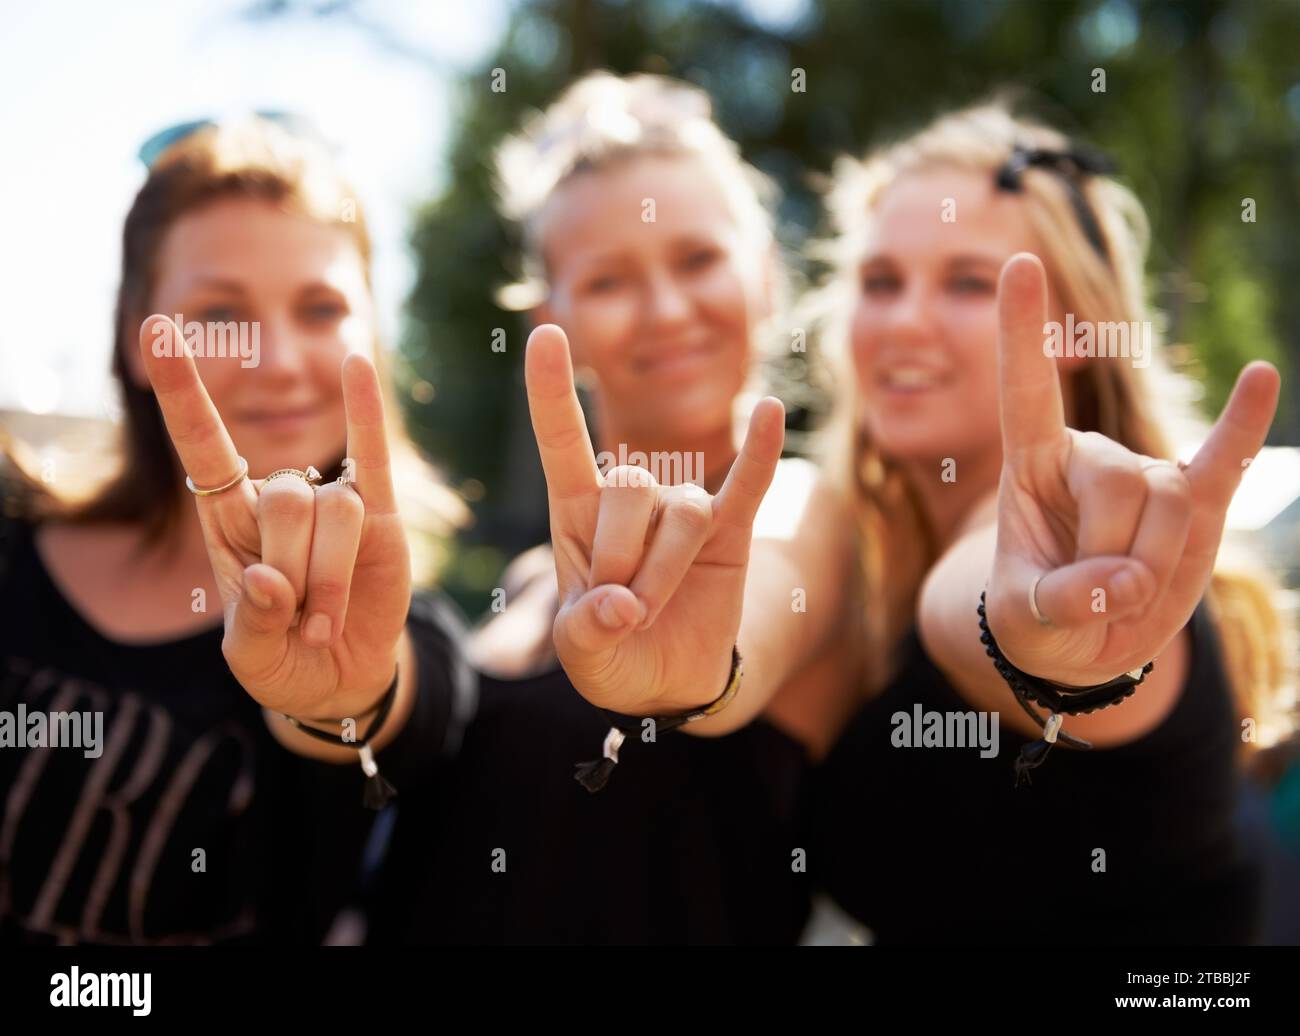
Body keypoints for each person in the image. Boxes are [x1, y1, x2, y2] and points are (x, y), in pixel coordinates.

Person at [525, 100, 1285, 944]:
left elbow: (980, 603)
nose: (905, 321)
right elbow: (771, 612)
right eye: (882, 282)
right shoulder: (875, 571)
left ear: (1075, 332)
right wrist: (694, 674)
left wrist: (1045, 636)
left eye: (969, 282)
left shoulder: (1093, 571)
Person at [369, 72, 858, 945]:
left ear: (766, 275)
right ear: (549, 317)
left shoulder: (799, 508)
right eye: (607, 281)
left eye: (699, 260)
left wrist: (700, 677)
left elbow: (747, 622)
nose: (666, 310)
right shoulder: (529, 576)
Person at [0, 116, 470, 945]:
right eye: (221, 313)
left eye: (321, 307)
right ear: (137, 337)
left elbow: (386, 709)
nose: (278, 360)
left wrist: (338, 698)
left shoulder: (406, 629)